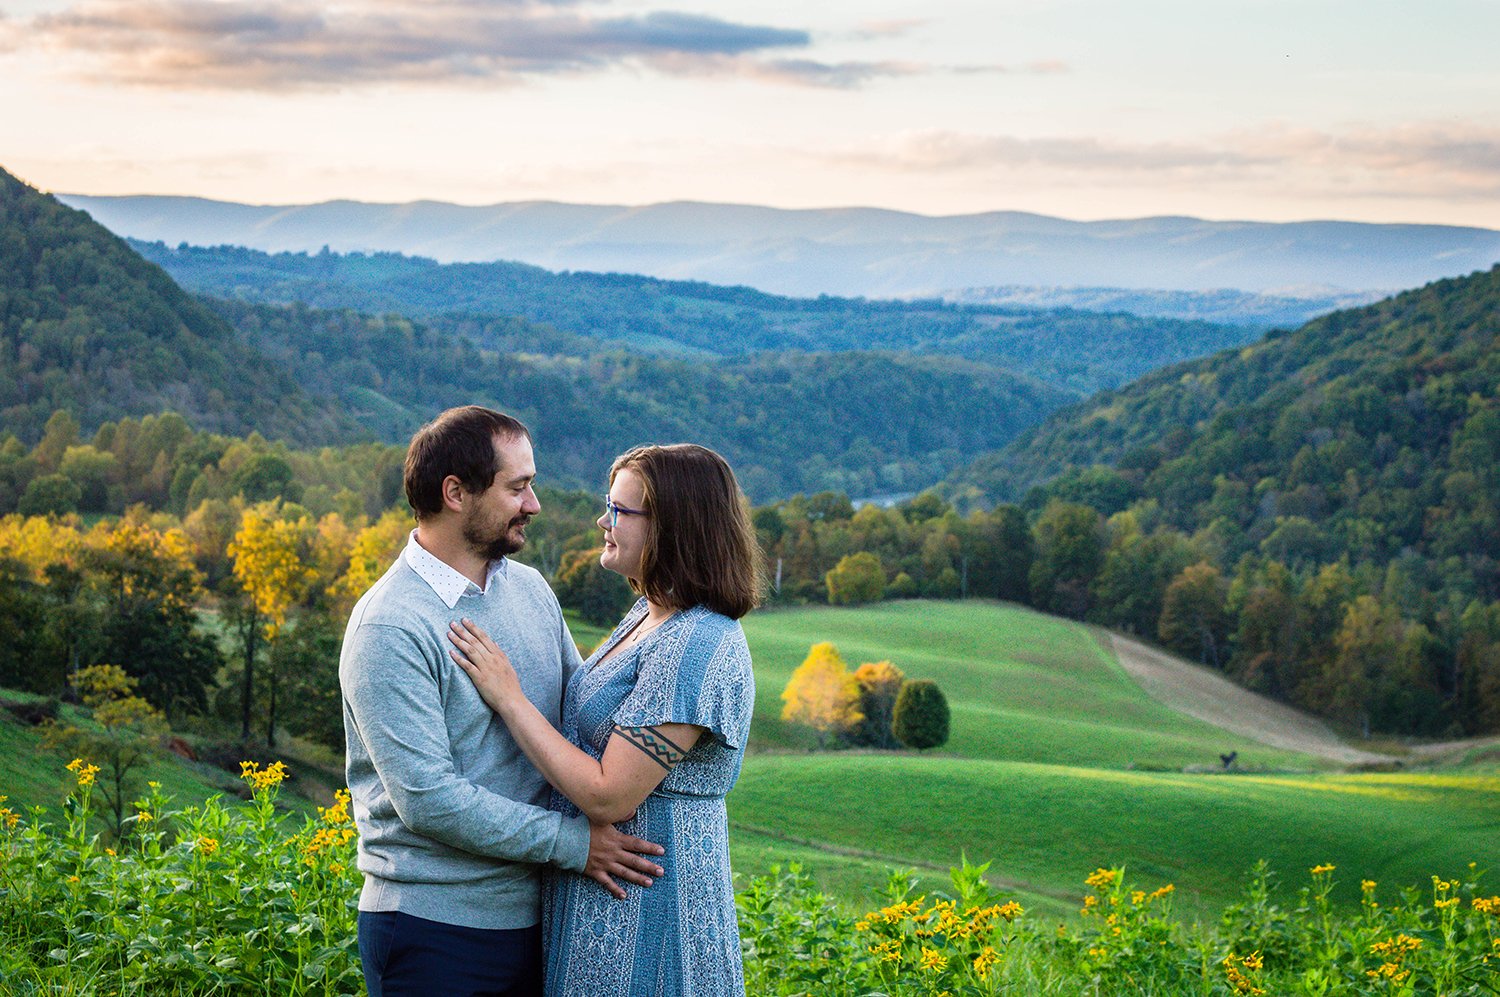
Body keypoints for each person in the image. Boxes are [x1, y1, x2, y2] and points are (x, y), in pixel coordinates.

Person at [339, 406, 666, 997]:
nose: (534, 503)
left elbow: (579, 717)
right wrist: (574, 844)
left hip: (544, 920)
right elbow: (428, 800)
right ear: (456, 493)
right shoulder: (391, 625)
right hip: (433, 929)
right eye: (518, 487)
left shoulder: (530, 589)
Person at [446, 443, 762, 997]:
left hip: (655, 920)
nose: (603, 520)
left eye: (619, 510)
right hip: (601, 907)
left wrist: (509, 698)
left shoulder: (699, 643)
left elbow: (610, 796)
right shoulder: (649, 614)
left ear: (672, 526)